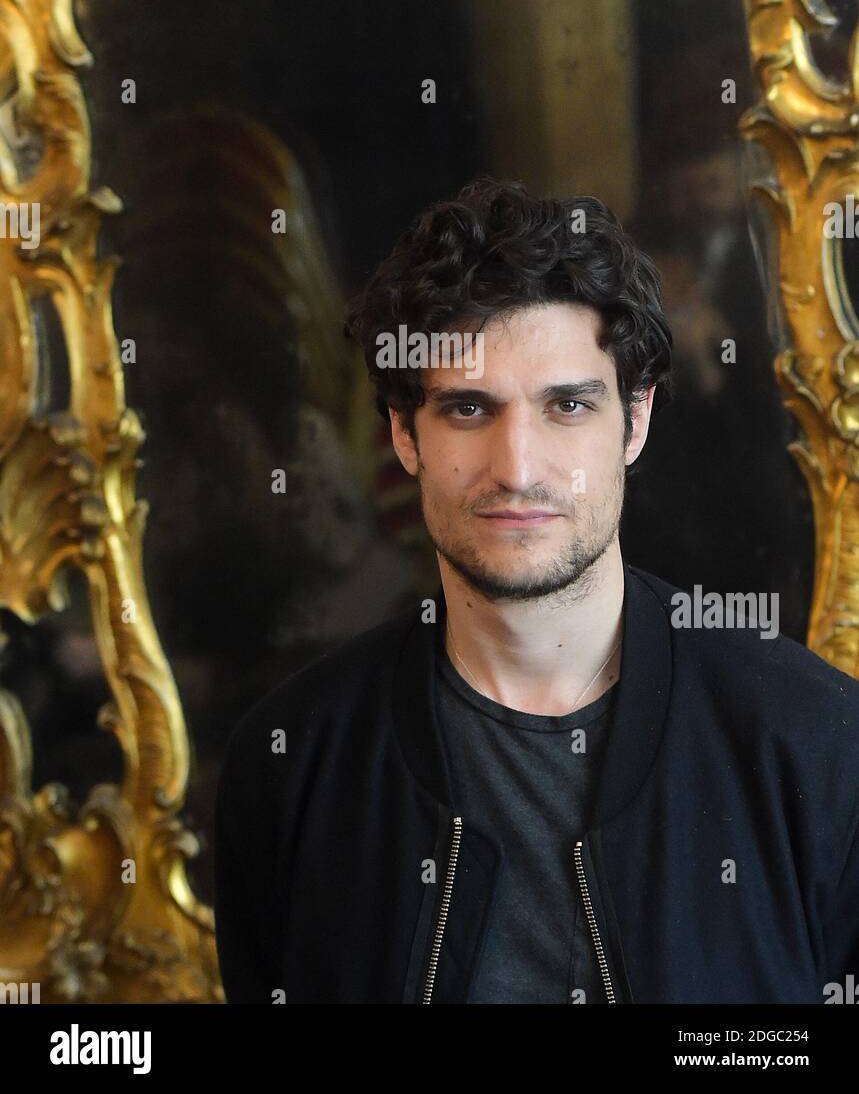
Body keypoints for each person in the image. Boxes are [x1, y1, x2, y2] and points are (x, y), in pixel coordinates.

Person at [214, 177, 859, 1004]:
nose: (517, 469)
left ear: (634, 421)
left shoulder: (815, 741)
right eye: (470, 410)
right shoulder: (293, 762)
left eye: (566, 406)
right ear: (404, 435)